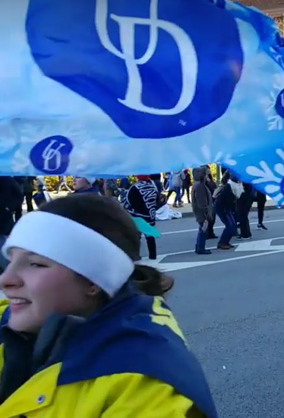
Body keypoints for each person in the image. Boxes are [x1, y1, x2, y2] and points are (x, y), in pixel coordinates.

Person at [0, 194, 216, 416]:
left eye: (36, 263)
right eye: (10, 260)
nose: (5, 280)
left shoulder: (143, 386)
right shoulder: (20, 317)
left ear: (93, 281)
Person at [122, 175, 159, 260]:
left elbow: (129, 200)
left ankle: (136, 255)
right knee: (150, 237)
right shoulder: (153, 187)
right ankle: (153, 255)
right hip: (150, 215)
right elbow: (157, 199)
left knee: (136, 237)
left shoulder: (135, 187)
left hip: (138, 216)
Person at [191, 167, 214, 255]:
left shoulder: (197, 185)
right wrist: (206, 213)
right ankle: (201, 247)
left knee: (202, 229)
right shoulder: (200, 186)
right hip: (201, 212)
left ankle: (199, 246)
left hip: (199, 210)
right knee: (203, 229)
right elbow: (202, 202)